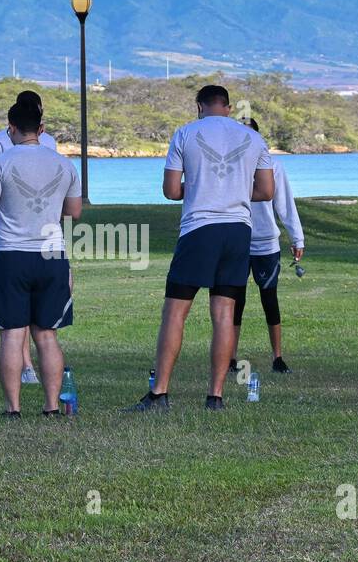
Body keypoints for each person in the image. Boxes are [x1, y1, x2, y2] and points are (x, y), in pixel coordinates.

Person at [125, 85, 274, 412]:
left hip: (199, 230)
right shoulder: (254, 139)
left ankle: (160, 393)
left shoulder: (184, 134)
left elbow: (170, 190)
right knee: (224, 314)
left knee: (176, 312)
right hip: (238, 232)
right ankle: (215, 396)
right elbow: (266, 191)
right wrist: (232, 190)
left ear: (199, 106)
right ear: (229, 107)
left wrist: (202, 189)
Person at [0, 98, 82, 417]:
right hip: (51, 255)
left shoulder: (0, 163)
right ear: (42, 129)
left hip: (10, 256)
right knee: (47, 335)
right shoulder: (63, 164)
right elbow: (73, 212)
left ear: (11, 129)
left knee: (11, 334)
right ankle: (50, 407)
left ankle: (13, 408)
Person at [0, 90, 59, 387]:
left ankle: (15, 403)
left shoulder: (50, 145)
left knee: (25, 323)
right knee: (22, 323)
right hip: (14, 242)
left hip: (38, 244)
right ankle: (28, 369)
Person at [230, 116, 303, 374]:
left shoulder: (273, 166)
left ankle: (278, 358)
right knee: (234, 301)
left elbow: (285, 204)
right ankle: (230, 358)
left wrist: (297, 238)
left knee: (269, 299)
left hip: (265, 244)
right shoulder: (228, 166)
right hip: (236, 242)